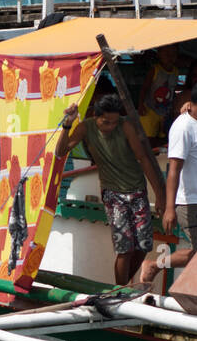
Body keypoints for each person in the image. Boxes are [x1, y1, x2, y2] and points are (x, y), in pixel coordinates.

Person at [58, 95, 165, 285]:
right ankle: (121, 290)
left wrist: (159, 195)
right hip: (112, 192)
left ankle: (123, 287)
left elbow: (144, 158)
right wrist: (67, 124)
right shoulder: (86, 127)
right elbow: (60, 151)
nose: (110, 126)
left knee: (143, 246)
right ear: (95, 115)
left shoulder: (125, 126)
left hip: (137, 189)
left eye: (114, 122)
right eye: (105, 122)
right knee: (124, 249)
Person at [136, 77, 197, 287]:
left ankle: (155, 266)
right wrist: (169, 208)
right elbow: (173, 170)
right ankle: (157, 267)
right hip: (194, 202)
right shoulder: (184, 127)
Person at [138, 45, 180, 141]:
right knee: (148, 138)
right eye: (167, 54)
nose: (170, 57)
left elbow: (173, 89)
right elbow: (144, 88)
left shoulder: (176, 71)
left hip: (165, 112)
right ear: (159, 54)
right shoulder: (155, 70)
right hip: (150, 110)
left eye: (173, 54)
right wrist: (140, 104)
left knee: (163, 137)